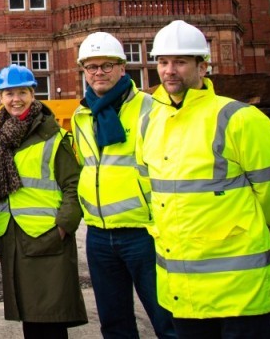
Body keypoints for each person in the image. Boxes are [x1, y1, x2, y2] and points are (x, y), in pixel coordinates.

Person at [137, 21, 270, 339]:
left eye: (180, 62)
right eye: (163, 62)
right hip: (183, 289)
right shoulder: (150, 122)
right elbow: (149, 189)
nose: (169, 71)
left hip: (240, 286)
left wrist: (236, 230)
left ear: (202, 66)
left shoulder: (239, 118)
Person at [72, 33, 175, 339]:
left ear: (121, 68)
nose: (98, 73)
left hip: (144, 232)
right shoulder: (81, 115)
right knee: (114, 323)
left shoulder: (151, 108)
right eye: (91, 67)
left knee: (167, 320)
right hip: (99, 233)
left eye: (106, 65)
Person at [0, 64, 87, 339]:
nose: (15, 99)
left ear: (33, 94)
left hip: (47, 237)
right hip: (13, 237)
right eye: (9, 93)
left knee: (50, 320)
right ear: (0, 97)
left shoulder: (53, 135)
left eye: (22, 92)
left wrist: (63, 226)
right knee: (31, 319)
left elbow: (74, 185)